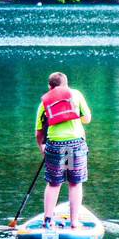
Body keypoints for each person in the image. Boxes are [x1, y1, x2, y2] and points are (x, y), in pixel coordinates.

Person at [34, 71, 91, 228]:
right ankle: (74, 222)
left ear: (49, 86)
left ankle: (48, 220)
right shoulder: (76, 95)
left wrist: (42, 147)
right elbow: (87, 119)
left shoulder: (44, 103)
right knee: (74, 183)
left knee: (54, 183)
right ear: (66, 84)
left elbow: (39, 132)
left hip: (55, 146)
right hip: (74, 145)